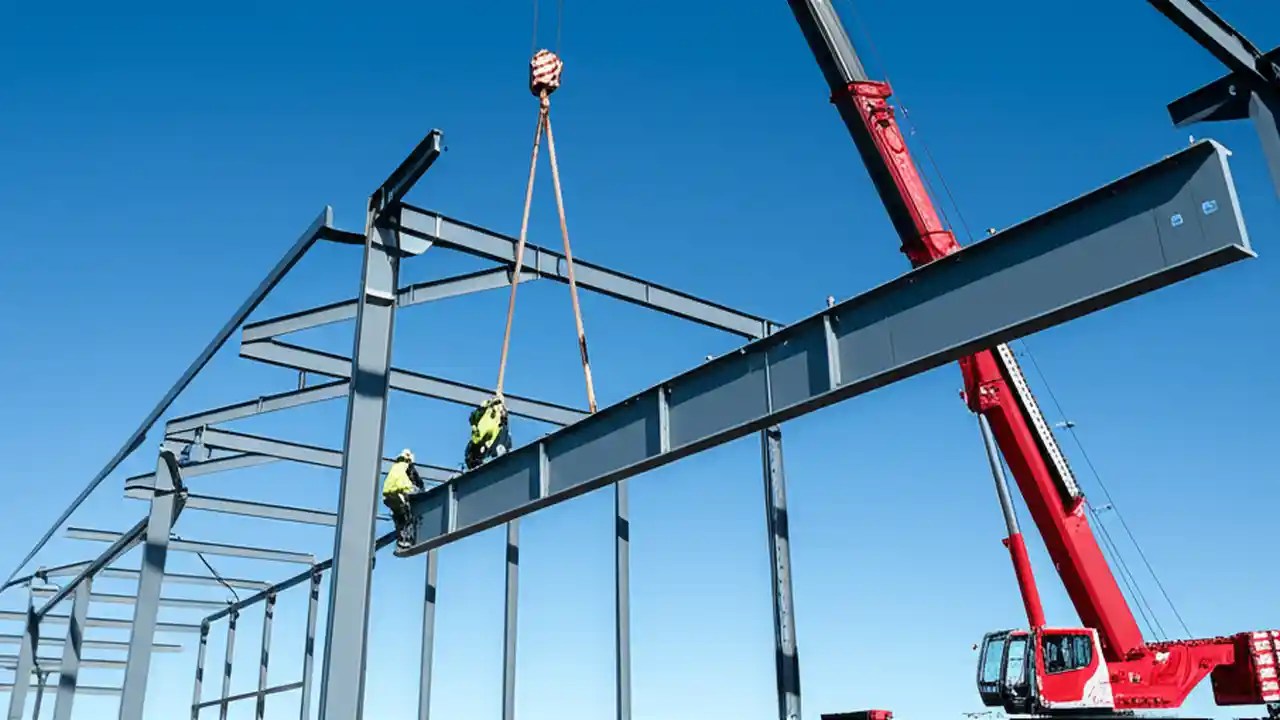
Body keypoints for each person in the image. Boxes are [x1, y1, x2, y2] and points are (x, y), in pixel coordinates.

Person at [382, 448, 423, 548]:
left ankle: (400, 536)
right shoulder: (407, 465)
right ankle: (407, 538)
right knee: (408, 515)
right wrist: (422, 490)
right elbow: (416, 480)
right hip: (401, 490)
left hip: (388, 496)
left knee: (398, 515)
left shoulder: (395, 466)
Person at [465, 396, 512, 470]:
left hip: (490, 444)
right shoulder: (486, 412)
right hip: (483, 444)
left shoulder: (499, 422)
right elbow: (473, 418)